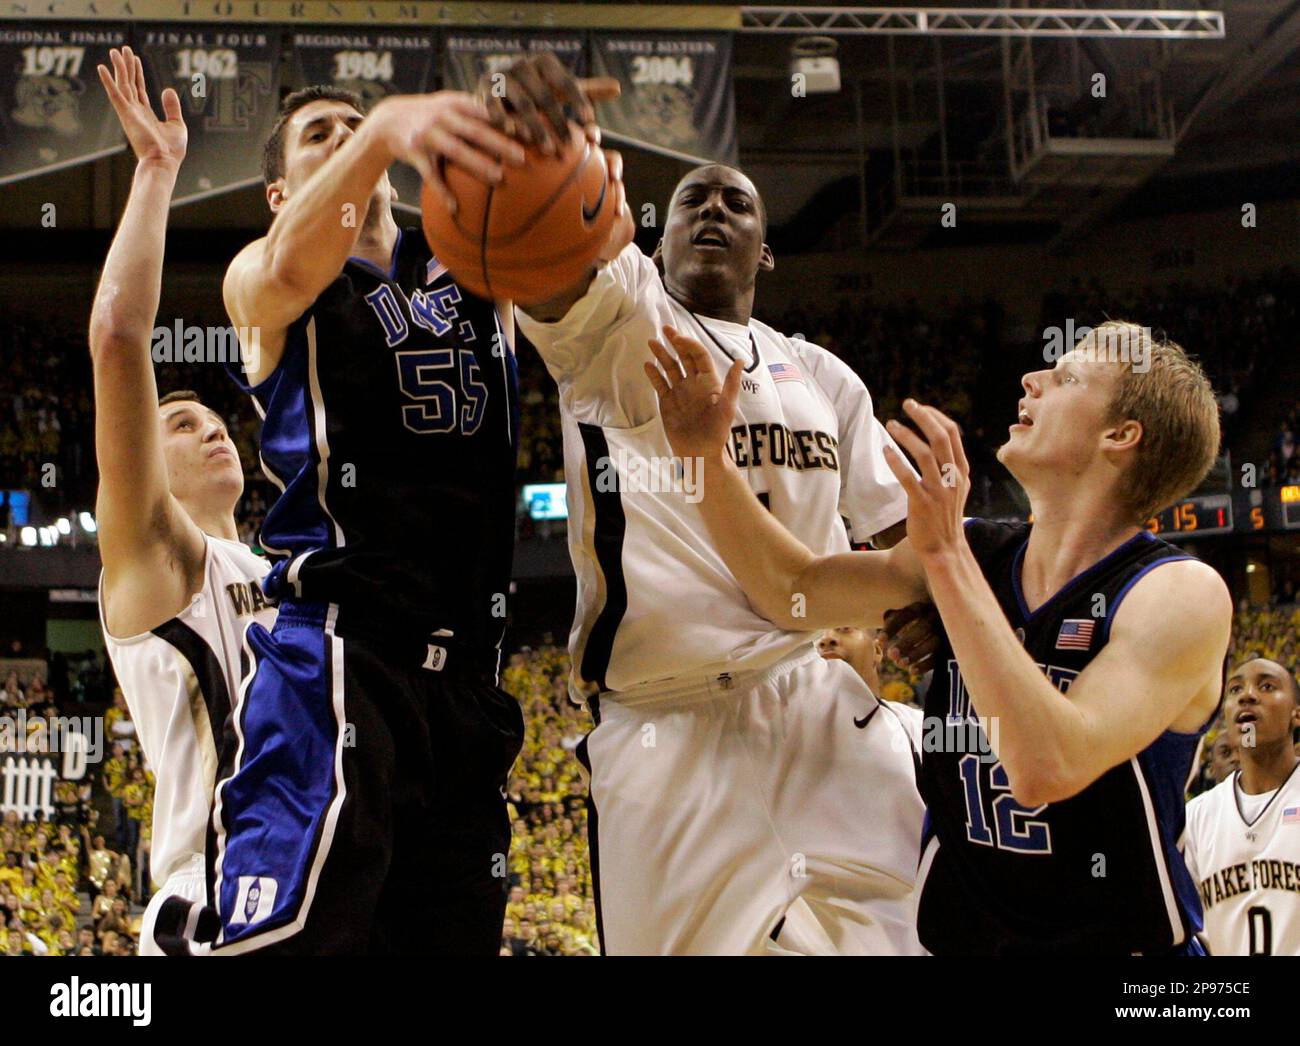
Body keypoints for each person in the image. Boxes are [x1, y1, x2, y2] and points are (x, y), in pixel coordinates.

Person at [508, 54, 924, 956]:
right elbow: (548, 269)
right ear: (656, 243)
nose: (713, 212)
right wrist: (534, 162)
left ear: (765, 251)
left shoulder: (823, 376)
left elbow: (903, 538)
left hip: (816, 699)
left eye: (737, 204)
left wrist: (927, 613)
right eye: (694, 201)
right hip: (666, 721)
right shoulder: (622, 321)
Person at [191, 72, 614, 954]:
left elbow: (575, 279)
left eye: (356, 128)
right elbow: (280, 271)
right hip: (341, 658)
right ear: (279, 194)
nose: (347, 141)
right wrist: (381, 128)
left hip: (468, 687)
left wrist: (557, 161)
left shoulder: (476, 264)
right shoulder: (266, 278)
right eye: (322, 136)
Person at [649, 319, 1230, 954]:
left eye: (1065, 378)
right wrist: (703, 457)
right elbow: (793, 588)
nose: (1031, 381)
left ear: (1121, 436)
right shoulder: (977, 549)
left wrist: (948, 563)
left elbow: (1046, 767)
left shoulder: (1179, 593)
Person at [89, 47, 278, 957]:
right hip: (216, 905)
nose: (210, 429)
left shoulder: (291, 566)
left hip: (323, 890)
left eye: (216, 418)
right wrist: (158, 172)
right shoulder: (160, 563)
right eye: (179, 421)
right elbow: (120, 336)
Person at [1184, 658, 1300, 954]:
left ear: (1296, 714)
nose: (1247, 695)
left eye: (1267, 686)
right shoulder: (1196, 816)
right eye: (1235, 689)